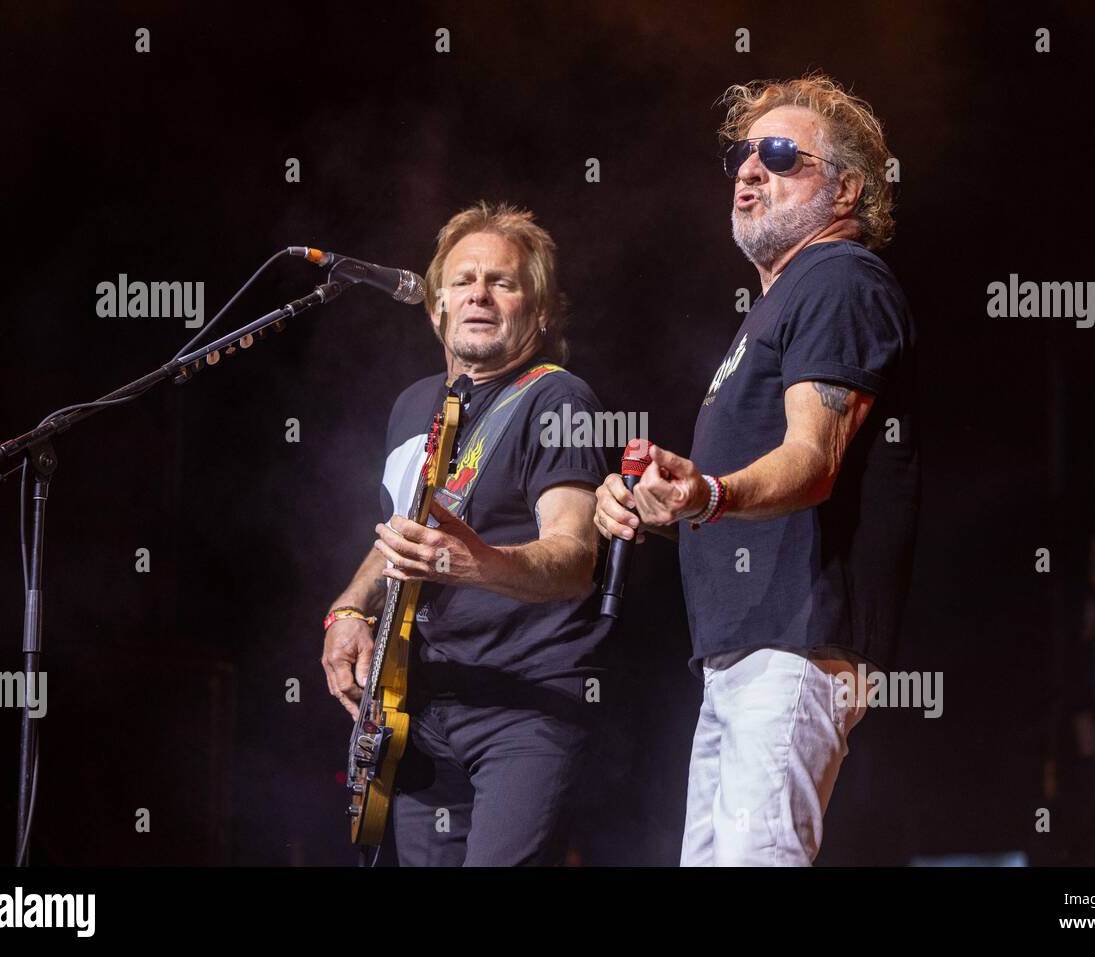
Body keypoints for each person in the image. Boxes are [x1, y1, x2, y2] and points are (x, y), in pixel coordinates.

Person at [594, 72, 921, 866]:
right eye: (742, 154)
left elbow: (813, 461)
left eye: (779, 154)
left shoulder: (839, 279)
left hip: (794, 638)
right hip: (744, 648)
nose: (748, 169)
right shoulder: (781, 303)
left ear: (845, 188)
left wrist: (706, 492)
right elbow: (737, 499)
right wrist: (662, 502)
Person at [322, 201, 611, 865]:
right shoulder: (413, 405)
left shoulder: (559, 400)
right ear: (436, 307)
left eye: (502, 282)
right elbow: (400, 535)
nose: (478, 293)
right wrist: (349, 609)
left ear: (540, 311)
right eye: (463, 280)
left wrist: (472, 562)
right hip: (418, 708)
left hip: (524, 706)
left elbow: (574, 557)